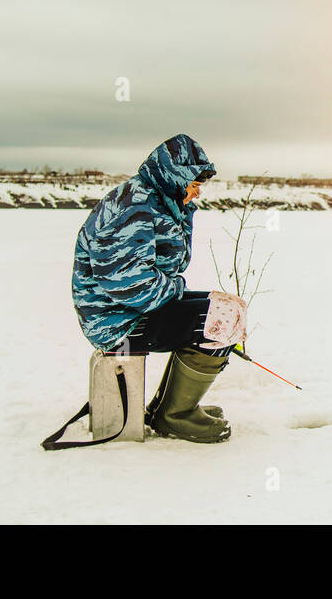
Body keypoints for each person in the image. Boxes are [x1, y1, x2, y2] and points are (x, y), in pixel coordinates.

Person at [72, 134, 246, 443]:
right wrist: (177, 289)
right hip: (116, 321)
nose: (196, 194)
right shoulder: (134, 208)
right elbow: (129, 285)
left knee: (227, 307)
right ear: (175, 179)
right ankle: (174, 417)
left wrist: (176, 289)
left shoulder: (155, 200)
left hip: (129, 311)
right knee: (223, 318)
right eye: (193, 186)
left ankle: (166, 407)